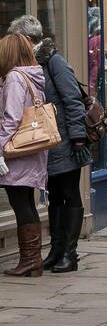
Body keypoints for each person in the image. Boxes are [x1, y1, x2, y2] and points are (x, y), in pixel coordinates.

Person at [8, 16, 88, 273]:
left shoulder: (54, 61)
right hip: (46, 144)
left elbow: (73, 99)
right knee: (54, 197)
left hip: (65, 141)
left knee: (69, 194)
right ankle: (56, 249)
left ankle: (70, 254)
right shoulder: (32, 63)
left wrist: (77, 138)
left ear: (28, 39)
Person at [0, 32, 49, 278]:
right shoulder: (32, 75)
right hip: (32, 149)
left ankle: (30, 260)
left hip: (17, 152)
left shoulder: (14, 78)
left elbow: (11, 118)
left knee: (21, 203)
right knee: (26, 202)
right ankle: (32, 260)